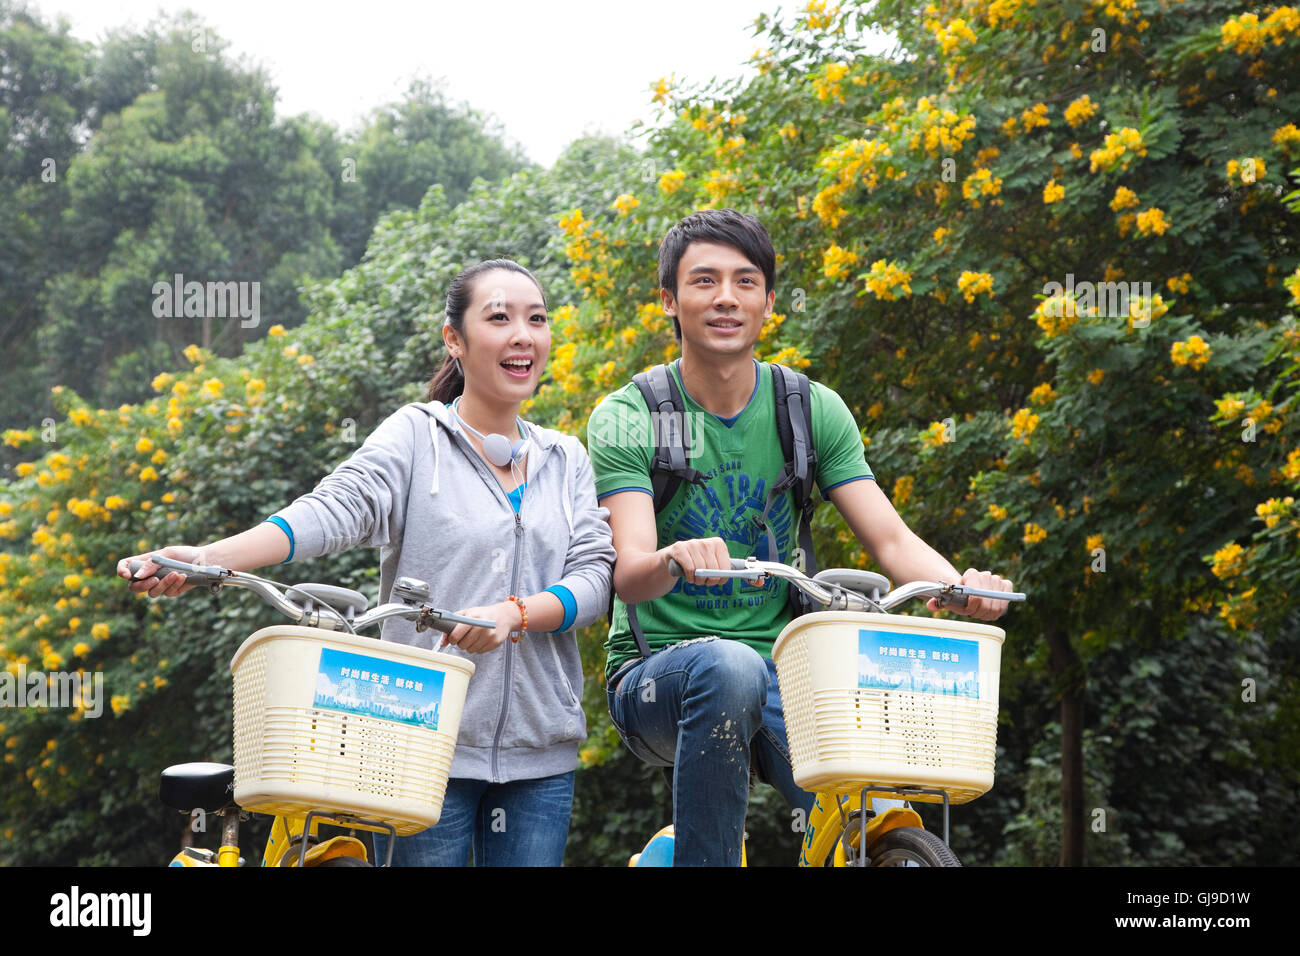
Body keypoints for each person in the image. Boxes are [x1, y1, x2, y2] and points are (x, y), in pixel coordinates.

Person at [118, 258, 615, 867]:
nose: (523, 335)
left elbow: (594, 582)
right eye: (499, 318)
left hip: (541, 758)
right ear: (454, 340)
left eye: (536, 319)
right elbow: (332, 509)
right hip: (420, 748)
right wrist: (209, 558)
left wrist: (515, 613)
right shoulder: (416, 438)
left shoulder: (566, 459)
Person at [587, 209, 1014, 866]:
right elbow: (630, 571)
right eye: (704, 281)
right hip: (657, 677)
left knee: (864, 806)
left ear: (769, 302)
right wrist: (673, 560)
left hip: (787, 675)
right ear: (669, 300)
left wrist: (960, 589)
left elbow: (893, 541)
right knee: (728, 666)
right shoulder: (632, 415)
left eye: (745, 281)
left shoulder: (810, 410)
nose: (726, 298)